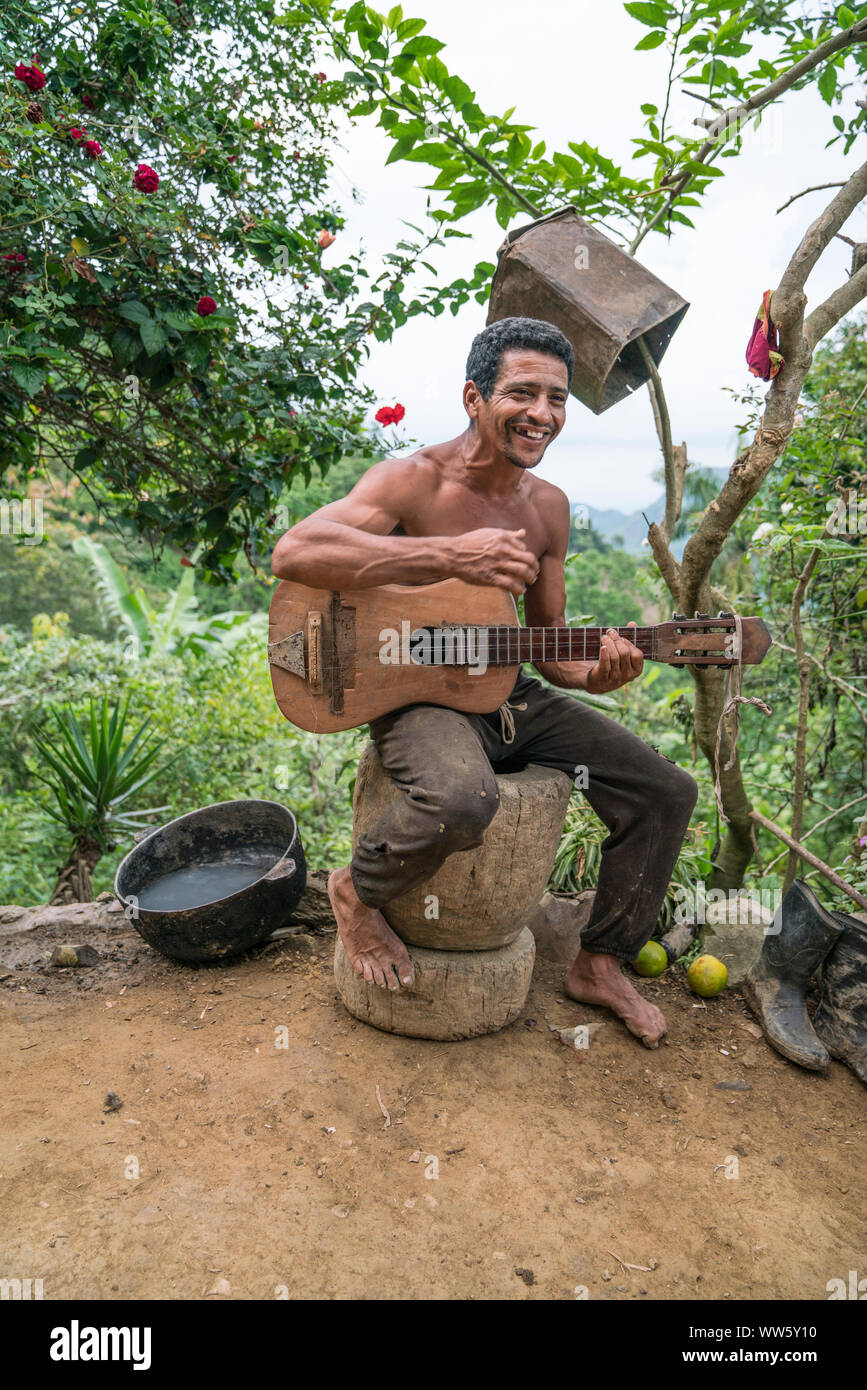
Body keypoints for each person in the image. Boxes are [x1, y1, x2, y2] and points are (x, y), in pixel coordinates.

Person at [271, 316, 698, 1048]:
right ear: (474, 398)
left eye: (557, 399)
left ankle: (599, 962)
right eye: (522, 393)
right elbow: (296, 551)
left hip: (505, 685)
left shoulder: (548, 510)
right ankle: (354, 890)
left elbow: (549, 646)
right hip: (414, 695)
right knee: (464, 798)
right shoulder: (412, 479)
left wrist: (599, 673)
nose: (542, 413)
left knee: (664, 790)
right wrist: (448, 557)